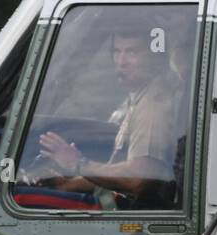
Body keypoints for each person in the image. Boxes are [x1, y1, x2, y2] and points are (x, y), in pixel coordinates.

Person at [36, 19, 184, 208]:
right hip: (122, 207)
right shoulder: (139, 98)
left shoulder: (152, 105)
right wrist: (68, 184)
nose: (121, 62)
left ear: (155, 58)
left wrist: (78, 163)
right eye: (117, 52)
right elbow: (117, 173)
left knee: (22, 199)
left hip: (131, 216)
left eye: (132, 52)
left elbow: (138, 177)